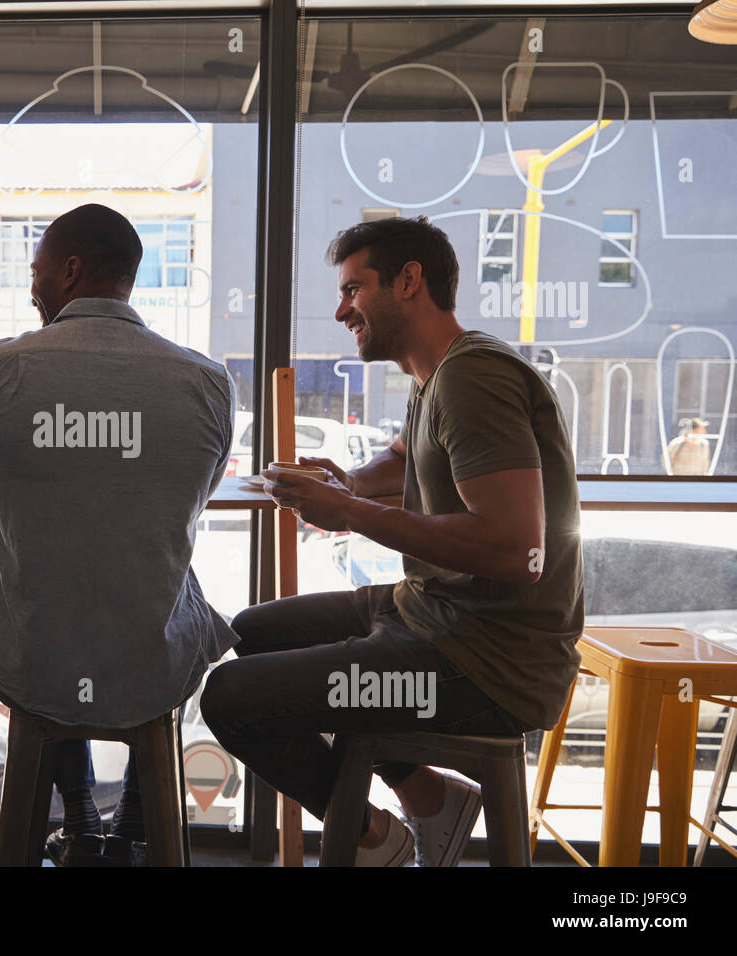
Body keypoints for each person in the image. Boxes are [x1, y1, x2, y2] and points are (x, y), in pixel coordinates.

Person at [202, 216, 584, 866]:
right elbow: (406, 462)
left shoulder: (473, 380)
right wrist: (348, 480)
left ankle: (372, 840)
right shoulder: (433, 376)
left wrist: (346, 509)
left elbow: (516, 549)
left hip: (485, 668)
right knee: (250, 631)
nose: (341, 309)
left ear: (409, 282)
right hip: (429, 614)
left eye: (354, 289)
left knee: (231, 698)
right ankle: (428, 795)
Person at [0, 203, 237, 866]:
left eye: (38, 270)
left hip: (33, 652)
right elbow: (185, 510)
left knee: (50, 580)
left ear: (71, 270)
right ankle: (138, 822)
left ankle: (80, 819)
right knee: (159, 589)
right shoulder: (207, 382)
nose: (33, 285)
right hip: (151, 656)